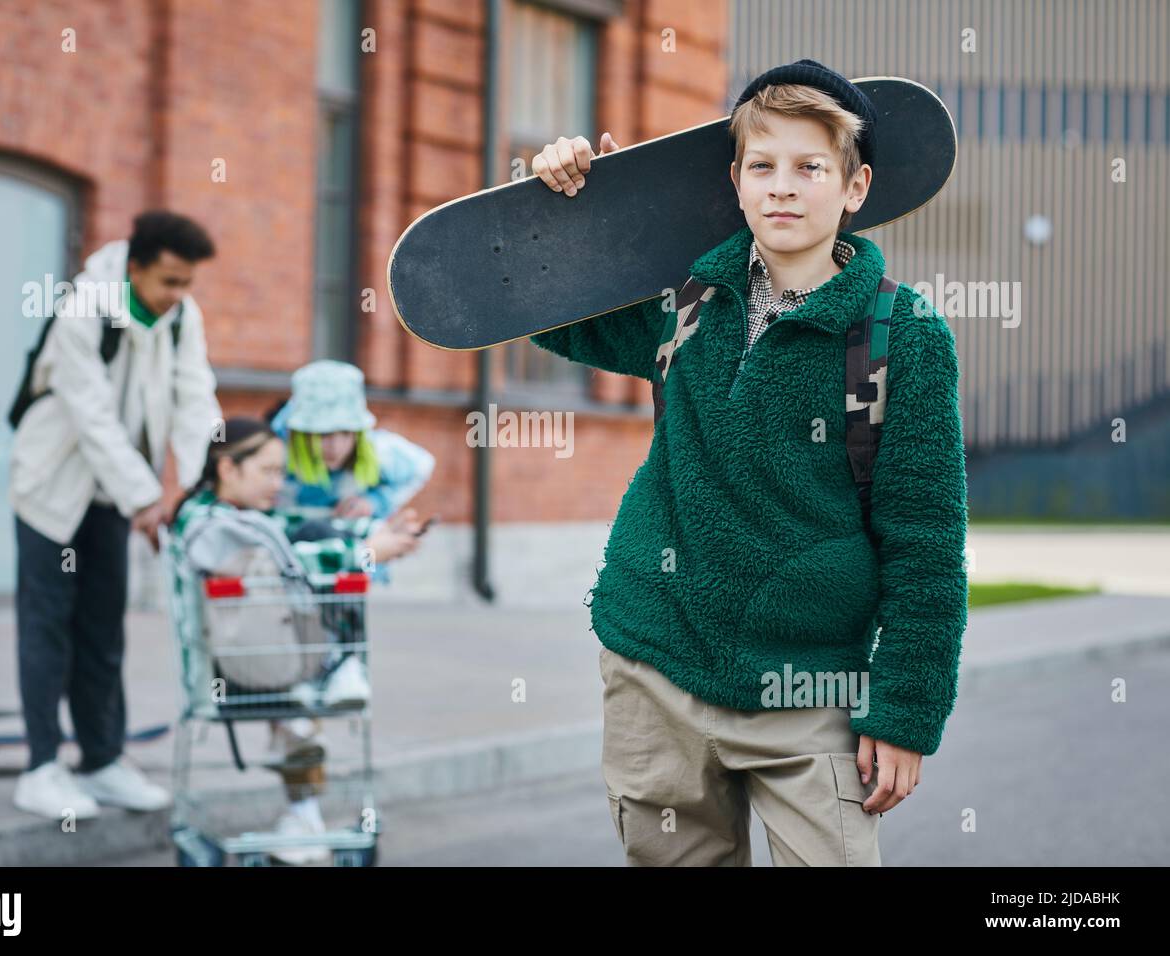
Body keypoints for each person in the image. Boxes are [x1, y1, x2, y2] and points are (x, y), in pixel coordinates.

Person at [528, 59, 968, 865]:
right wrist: (572, 208)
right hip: (655, 660)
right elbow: (547, 314)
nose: (784, 188)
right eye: (763, 167)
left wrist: (905, 714)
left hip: (808, 687)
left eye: (810, 168)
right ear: (737, 182)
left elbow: (927, 548)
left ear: (855, 187)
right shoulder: (688, 305)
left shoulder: (901, 336)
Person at [9, 210, 222, 820]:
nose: (179, 295)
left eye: (187, 284)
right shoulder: (84, 309)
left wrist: (202, 485)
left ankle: (102, 762)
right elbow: (91, 417)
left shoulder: (182, 319)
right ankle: (42, 768)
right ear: (136, 268)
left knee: (104, 631)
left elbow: (194, 398)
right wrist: (148, 499)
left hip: (113, 495)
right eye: (170, 281)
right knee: (48, 627)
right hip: (52, 491)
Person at [171, 416, 427, 864]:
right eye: (268, 472)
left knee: (317, 534)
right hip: (238, 667)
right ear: (229, 468)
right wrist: (368, 553)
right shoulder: (210, 525)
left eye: (280, 471)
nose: (279, 482)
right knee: (321, 568)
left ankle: (303, 806)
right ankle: (334, 674)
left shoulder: (233, 513)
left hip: (254, 654)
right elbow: (283, 561)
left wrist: (376, 534)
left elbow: (293, 529)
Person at [268, 361, 436, 584]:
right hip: (297, 560)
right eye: (324, 435)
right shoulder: (277, 454)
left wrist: (375, 502)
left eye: (346, 433)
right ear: (302, 433)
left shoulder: (379, 451)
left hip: (353, 559)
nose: (336, 448)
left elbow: (422, 465)